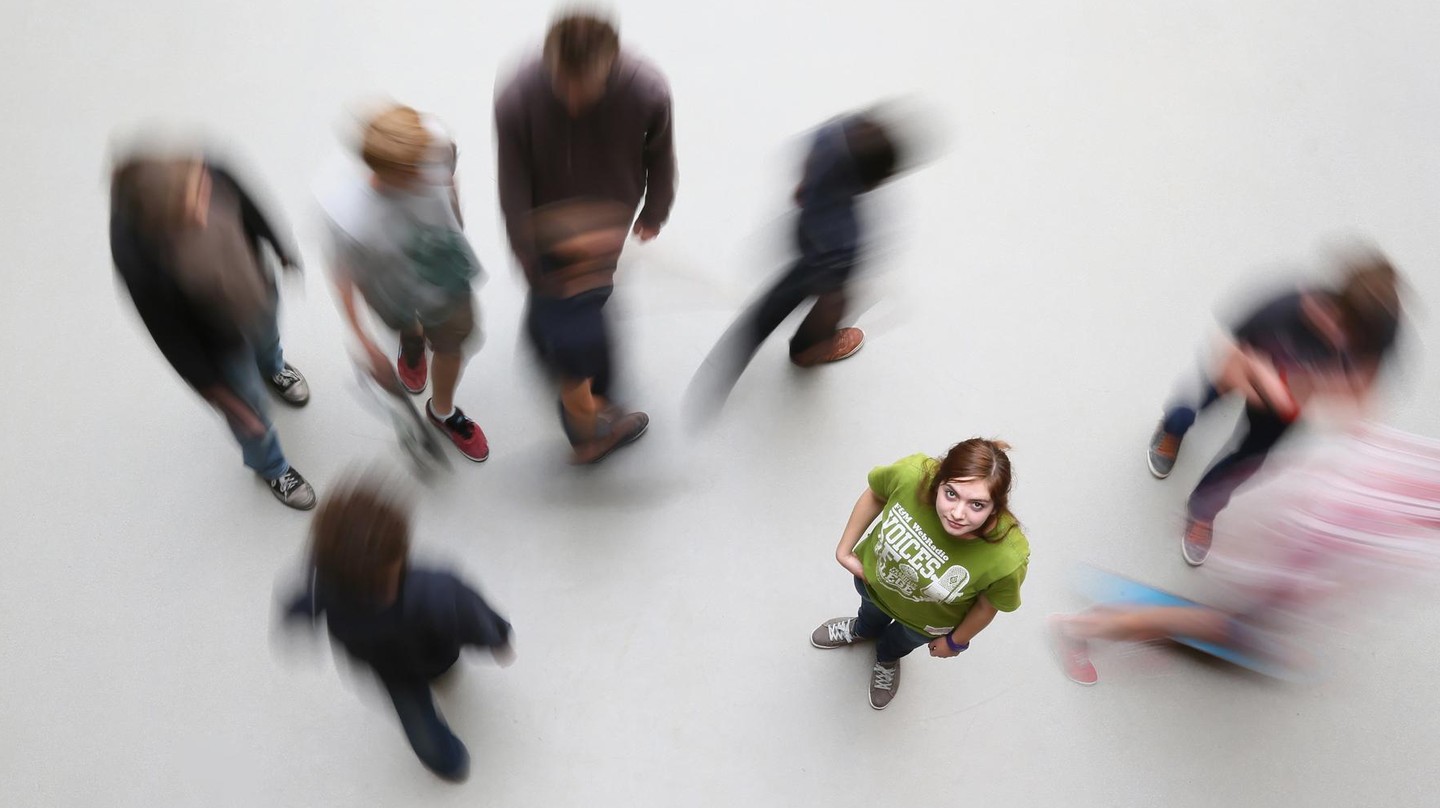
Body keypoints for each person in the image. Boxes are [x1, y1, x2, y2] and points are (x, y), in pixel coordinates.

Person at [1055, 423, 1440, 686]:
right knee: (1212, 625)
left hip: (1270, 531)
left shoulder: (1419, 469)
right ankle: (1079, 629)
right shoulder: (1400, 514)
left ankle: (1152, 629)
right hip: (1272, 563)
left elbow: (1355, 448)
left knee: (1214, 623)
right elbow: (1336, 545)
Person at [1146, 251, 1403, 565]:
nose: (1342, 341)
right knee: (1191, 406)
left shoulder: (1375, 337)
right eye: (1340, 328)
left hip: (1290, 403)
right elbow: (1229, 363)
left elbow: (1362, 392)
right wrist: (1266, 383)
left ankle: (1203, 507)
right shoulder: (1282, 310)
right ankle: (1171, 430)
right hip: (1246, 370)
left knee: (1249, 460)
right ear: (1332, 306)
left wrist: (1315, 398)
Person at [495, 9, 676, 442]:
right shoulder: (518, 98)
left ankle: (550, 348)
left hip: (608, 228)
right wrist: (526, 249)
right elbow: (512, 181)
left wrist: (654, 211)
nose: (573, 100)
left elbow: (660, 155)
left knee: (569, 302)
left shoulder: (647, 92)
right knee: (582, 323)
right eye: (563, 84)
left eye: (586, 87)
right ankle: (592, 418)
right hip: (546, 229)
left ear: (610, 66)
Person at [110, 152, 316, 509]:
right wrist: (221, 395)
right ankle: (272, 467)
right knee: (250, 410)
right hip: (220, 342)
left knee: (269, 340)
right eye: (190, 207)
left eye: (202, 191)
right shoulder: (138, 258)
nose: (204, 207)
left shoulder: (207, 171)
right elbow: (171, 338)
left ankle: (274, 368)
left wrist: (280, 249)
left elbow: (250, 205)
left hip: (255, 289)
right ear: (160, 219)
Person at [282, 475, 514, 782]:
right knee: (431, 691)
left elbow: (307, 599)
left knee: (417, 720)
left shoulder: (327, 579)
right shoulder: (433, 590)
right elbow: (471, 613)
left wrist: (296, 615)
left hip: (382, 665)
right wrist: (497, 636)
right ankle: (448, 754)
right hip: (428, 654)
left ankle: (446, 762)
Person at [688, 110, 902, 419]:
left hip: (805, 231)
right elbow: (832, 298)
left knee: (769, 309)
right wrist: (832, 312)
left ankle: (720, 370)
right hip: (826, 260)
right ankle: (807, 348)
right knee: (817, 302)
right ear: (870, 182)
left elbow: (806, 171)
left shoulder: (833, 135)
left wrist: (806, 190)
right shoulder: (846, 235)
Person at [321, 104, 489, 462]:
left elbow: (449, 177)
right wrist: (364, 341)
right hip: (389, 288)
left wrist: (455, 219)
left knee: (453, 344)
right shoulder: (347, 214)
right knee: (406, 323)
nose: (427, 172)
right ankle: (412, 341)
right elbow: (343, 275)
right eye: (415, 171)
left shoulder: (432, 143)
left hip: (444, 279)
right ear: (386, 172)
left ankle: (442, 412)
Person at [811, 439, 1030, 709]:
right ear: (938, 481)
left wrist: (956, 642)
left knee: (899, 643)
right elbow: (877, 493)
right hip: (874, 585)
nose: (957, 513)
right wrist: (844, 551)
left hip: (923, 624)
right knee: (869, 615)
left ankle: (887, 658)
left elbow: (988, 605)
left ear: (995, 507)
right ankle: (862, 629)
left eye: (977, 505)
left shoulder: (1008, 557)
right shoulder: (912, 475)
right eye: (951, 493)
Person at [522, 198, 649, 462]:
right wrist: (602, 410)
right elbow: (577, 399)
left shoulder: (547, 283)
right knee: (582, 396)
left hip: (555, 342)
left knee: (576, 382)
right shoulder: (578, 332)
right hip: (578, 359)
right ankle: (593, 444)